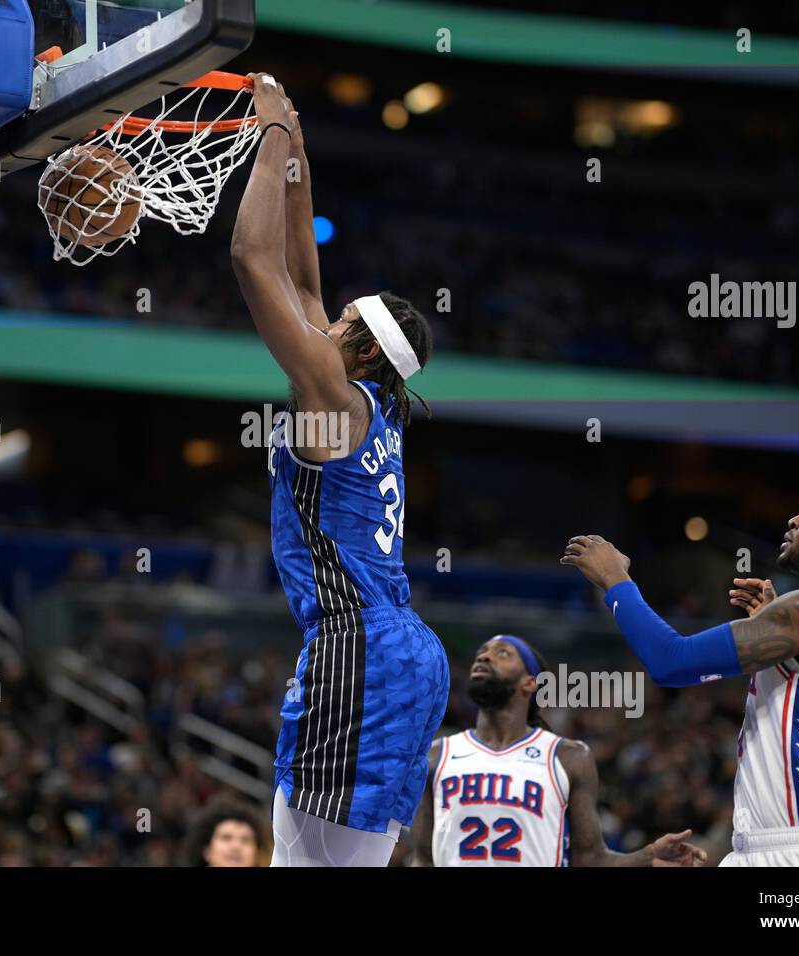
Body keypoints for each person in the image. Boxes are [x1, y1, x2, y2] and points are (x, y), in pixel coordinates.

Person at [231, 73, 447, 866]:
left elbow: (254, 259)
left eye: (343, 322)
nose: (326, 320)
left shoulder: (335, 397)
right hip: (397, 652)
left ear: (357, 349)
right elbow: (303, 274)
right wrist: (299, 154)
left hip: (362, 647)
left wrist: (271, 139)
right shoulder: (371, 402)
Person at [561, 482, 799, 866]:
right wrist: (780, 640)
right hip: (781, 845)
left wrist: (615, 580)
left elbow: (672, 661)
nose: (793, 520)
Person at [411, 635, 705, 866]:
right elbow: (423, 859)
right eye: (481, 653)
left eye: (502, 653)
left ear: (530, 682)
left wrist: (647, 856)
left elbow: (590, 859)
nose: (485, 656)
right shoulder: (438, 754)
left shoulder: (568, 757)